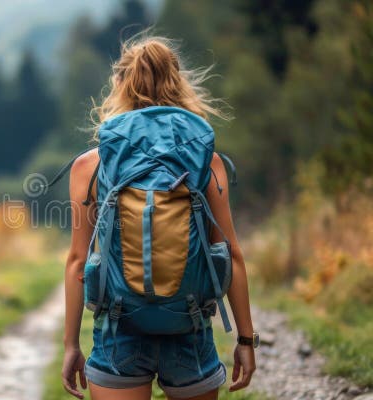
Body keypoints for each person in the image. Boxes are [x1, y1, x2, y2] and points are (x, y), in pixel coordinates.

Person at [61, 36, 256, 400]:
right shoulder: (204, 160)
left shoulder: (91, 165)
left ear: (119, 85)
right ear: (179, 82)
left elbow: (77, 261)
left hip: (119, 331)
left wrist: (71, 344)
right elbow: (229, 253)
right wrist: (246, 338)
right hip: (189, 327)